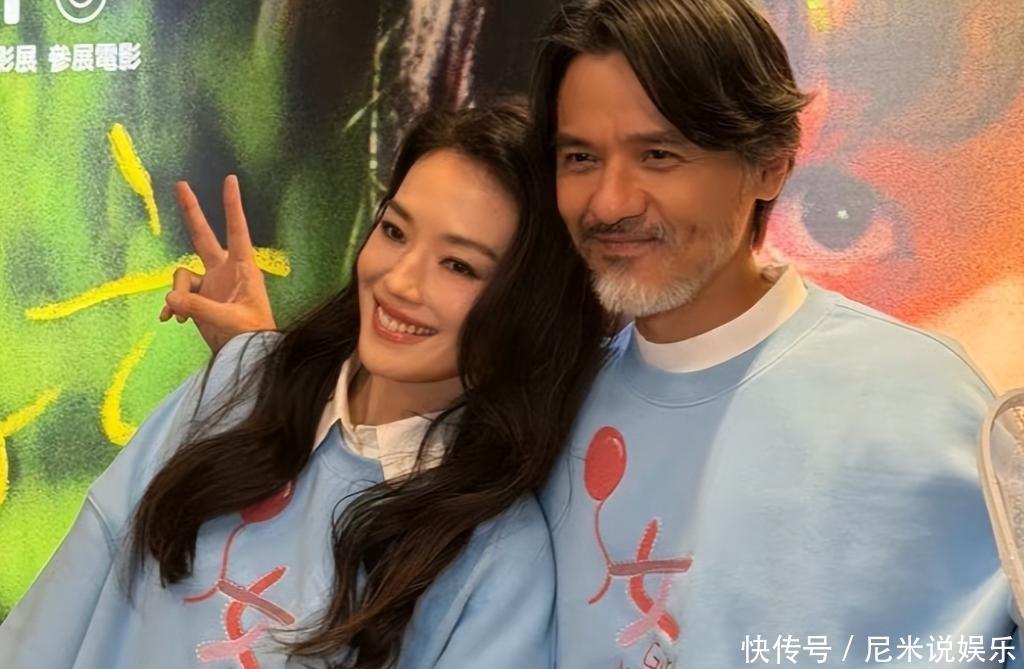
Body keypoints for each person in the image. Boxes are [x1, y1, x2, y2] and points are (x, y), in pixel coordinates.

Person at [131, 1, 1023, 666]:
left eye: (659, 154)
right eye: (579, 157)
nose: (609, 201)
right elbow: (371, 449)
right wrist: (263, 357)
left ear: (768, 165)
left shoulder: (916, 400)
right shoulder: (547, 390)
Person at [0, 102, 607, 668]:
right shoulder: (241, 379)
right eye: (395, 231)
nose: (399, 281)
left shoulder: (499, 557)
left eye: (458, 265)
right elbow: (63, 602)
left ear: (529, 308)